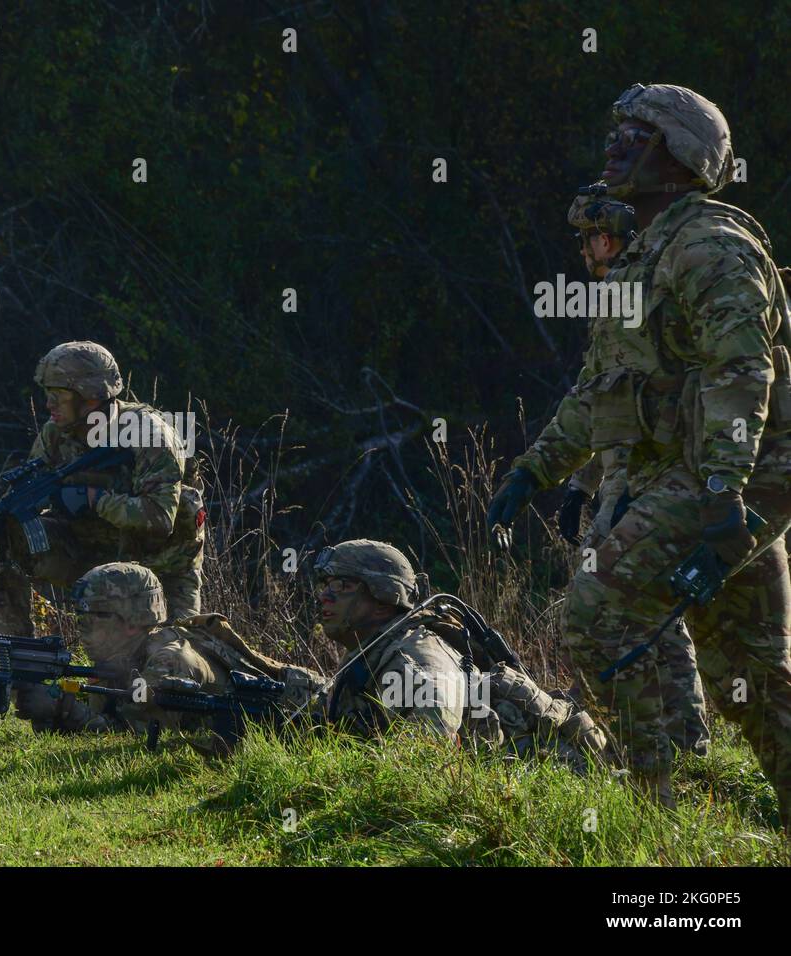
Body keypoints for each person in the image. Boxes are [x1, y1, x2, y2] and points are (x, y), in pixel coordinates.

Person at [488, 84, 791, 823]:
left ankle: (650, 802)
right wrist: (535, 469)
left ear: (681, 154)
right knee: (751, 683)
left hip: (733, 485)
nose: (615, 146)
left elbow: (741, 372)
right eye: (615, 132)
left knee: (593, 614)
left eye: (637, 135)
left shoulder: (711, 247)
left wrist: (724, 491)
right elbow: (599, 391)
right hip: (694, 483)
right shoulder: (641, 260)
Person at [558, 194, 710, 758]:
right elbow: (607, 400)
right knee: (640, 609)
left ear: (603, 241)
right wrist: (582, 485)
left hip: (655, 482)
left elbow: (635, 401)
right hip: (629, 483)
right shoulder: (624, 297)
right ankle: (674, 739)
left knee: (624, 609)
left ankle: (662, 743)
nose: (582, 251)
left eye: (586, 239)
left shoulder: (640, 298)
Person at [315, 540, 606, 770]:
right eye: (325, 585)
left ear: (383, 599)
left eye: (343, 586)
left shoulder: (414, 659)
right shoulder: (372, 648)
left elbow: (427, 750)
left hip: (549, 778)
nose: (325, 596)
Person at [0, 341, 206, 634]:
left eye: (58, 395)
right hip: (91, 551)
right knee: (2, 535)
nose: (49, 405)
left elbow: (160, 518)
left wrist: (94, 499)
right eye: (47, 394)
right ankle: (8, 647)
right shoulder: (55, 434)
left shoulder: (149, 434)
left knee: (171, 654)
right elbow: (29, 490)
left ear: (89, 397)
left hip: (160, 568)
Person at [18, 561, 321, 756]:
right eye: (79, 617)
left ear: (132, 621)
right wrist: (52, 710)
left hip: (310, 721)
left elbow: (137, 736)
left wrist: (69, 711)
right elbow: (108, 718)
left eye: (92, 617)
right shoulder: (122, 658)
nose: (81, 628)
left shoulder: (169, 660)